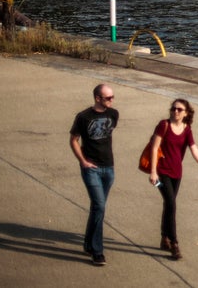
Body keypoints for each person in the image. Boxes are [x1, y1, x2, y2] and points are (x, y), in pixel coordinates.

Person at [148, 96, 198, 261]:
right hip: (161, 172)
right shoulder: (163, 125)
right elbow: (154, 147)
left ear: (186, 113)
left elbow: (194, 149)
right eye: (173, 108)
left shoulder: (187, 129)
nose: (175, 111)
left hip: (177, 173)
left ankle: (164, 237)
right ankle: (174, 243)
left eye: (179, 109)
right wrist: (153, 172)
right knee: (171, 203)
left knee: (169, 205)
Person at [69, 81, 119, 266]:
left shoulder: (114, 114)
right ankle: (97, 251)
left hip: (109, 168)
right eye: (108, 98)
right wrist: (82, 161)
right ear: (98, 98)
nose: (112, 100)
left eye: (113, 97)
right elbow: (73, 140)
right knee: (99, 206)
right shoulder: (83, 117)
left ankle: (88, 243)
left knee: (98, 208)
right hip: (91, 169)